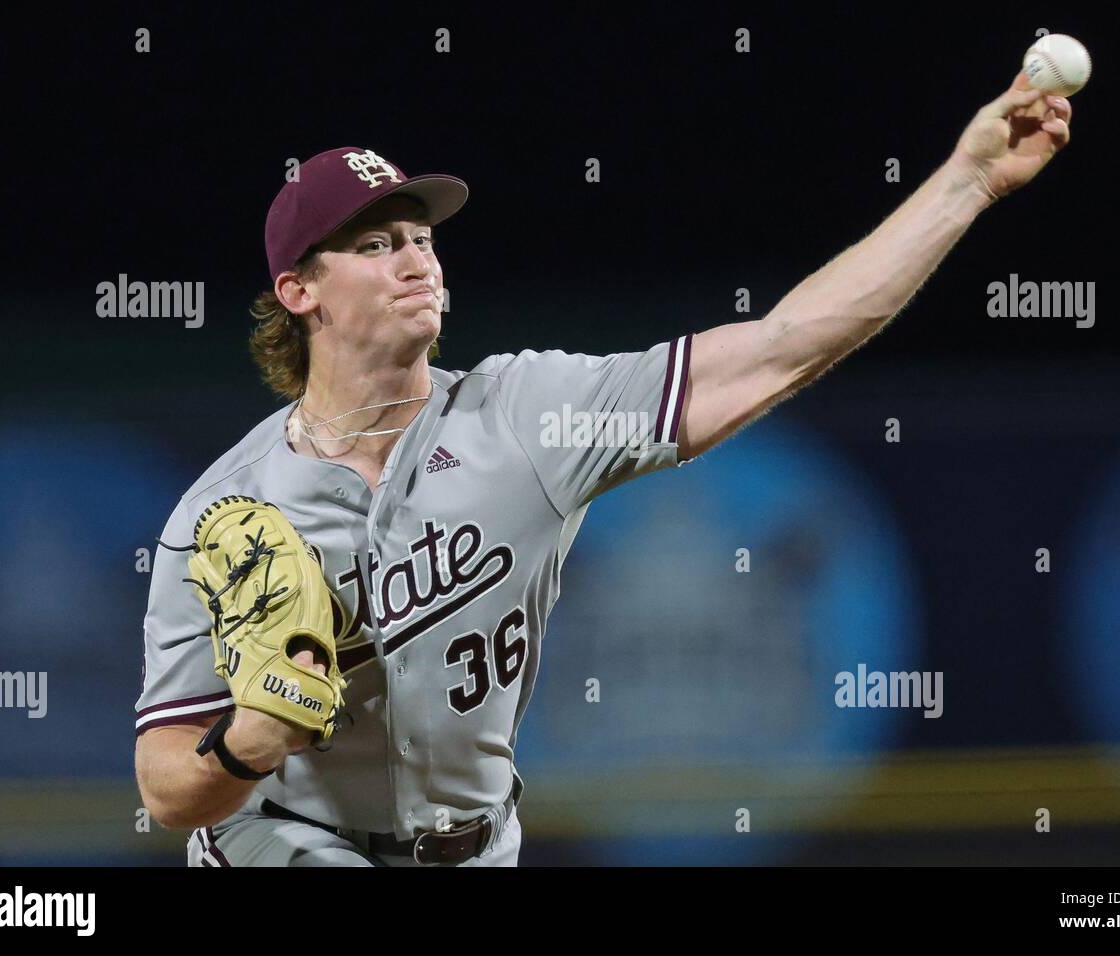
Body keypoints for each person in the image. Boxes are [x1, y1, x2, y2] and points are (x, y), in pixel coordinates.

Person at [134, 74, 1072, 866]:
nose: (415, 258)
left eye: (421, 237)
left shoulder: (529, 417)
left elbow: (782, 343)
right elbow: (170, 789)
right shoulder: (227, 506)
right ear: (299, 291)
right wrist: (245, 743)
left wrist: (968, 181)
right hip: (283, 844)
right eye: (375, 244)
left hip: (476, 844)